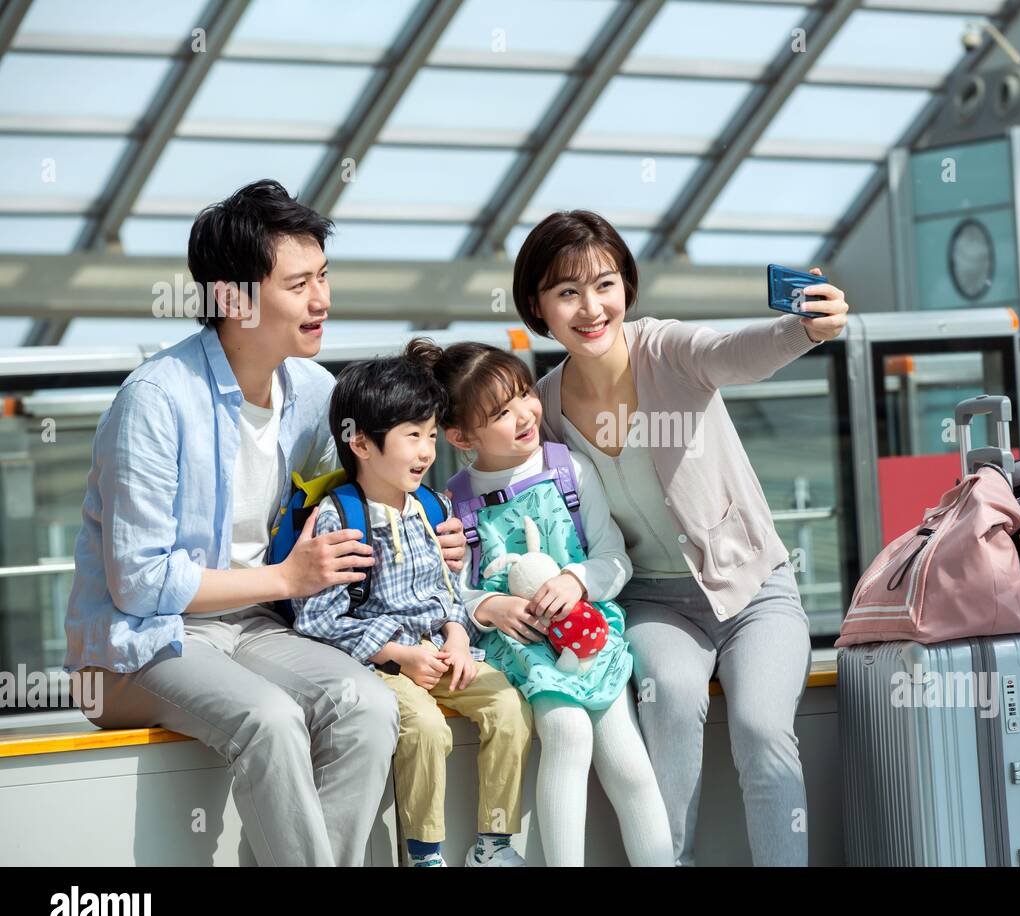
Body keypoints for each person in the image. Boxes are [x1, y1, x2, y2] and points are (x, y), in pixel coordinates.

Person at [62, 179, 467, 866]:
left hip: (256, 628)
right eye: (299, 283)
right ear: (232, 299)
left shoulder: (313, 393)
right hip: (139, 644)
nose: (322, 300)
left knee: (365, 706)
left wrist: (428, 530)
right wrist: (283, 574)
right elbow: (138, 582)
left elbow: (361, 494)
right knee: (272, 720)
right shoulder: (156, 401)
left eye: (324, 276)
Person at [515, 210, 849, 866]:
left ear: (627, 287)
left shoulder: (667, 351)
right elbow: (500, 475)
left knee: (759, 728)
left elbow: (735, 353)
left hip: (756, 593)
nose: (591, 308)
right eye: (567, 292)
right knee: (668, 697)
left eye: (605, 284)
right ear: (539, 307)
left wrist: (805, 328)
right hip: (653, 603)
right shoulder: (545, 408)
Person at [430, 340, 674, 867]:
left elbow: (613, 557)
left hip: (589, 634)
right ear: (460, 436)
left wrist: (576, 579)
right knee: (565, 732)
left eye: (523, 395)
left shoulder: (571, 469)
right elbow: (454, 590)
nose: (523, 415)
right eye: (500, 412)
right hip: (524, 647)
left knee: (629, 764)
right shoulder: (456, 500)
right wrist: (487, 606)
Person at [292, 344, 533, 868]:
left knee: (508, 707)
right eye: (411, 436)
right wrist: (398, 654)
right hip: (381, 663)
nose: (426, 451)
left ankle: (493, 844)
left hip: (438, 651)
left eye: (430, 434)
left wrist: (458, 634)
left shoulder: (431, 505)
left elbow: (448, 589)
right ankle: (424, 854)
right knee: (425, 728)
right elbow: (319, 620)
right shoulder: (342, 519)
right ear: (361, 442)